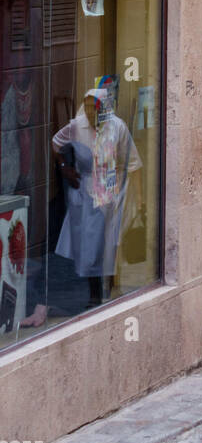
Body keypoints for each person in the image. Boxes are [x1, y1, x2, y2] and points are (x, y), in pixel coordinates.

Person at [51, 79, 143, 307]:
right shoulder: (77, 125)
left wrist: (139, 201)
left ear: (104, 108)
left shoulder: (117, 127)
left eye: (97, 107)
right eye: (89, 107)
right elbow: (56, 142)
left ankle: (110, 289)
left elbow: (133, 163)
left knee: (110, 243)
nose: (92, 112)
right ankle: (94, 294)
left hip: (112, 191)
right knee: (90, 245)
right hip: (85, 191)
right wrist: (65, 168)